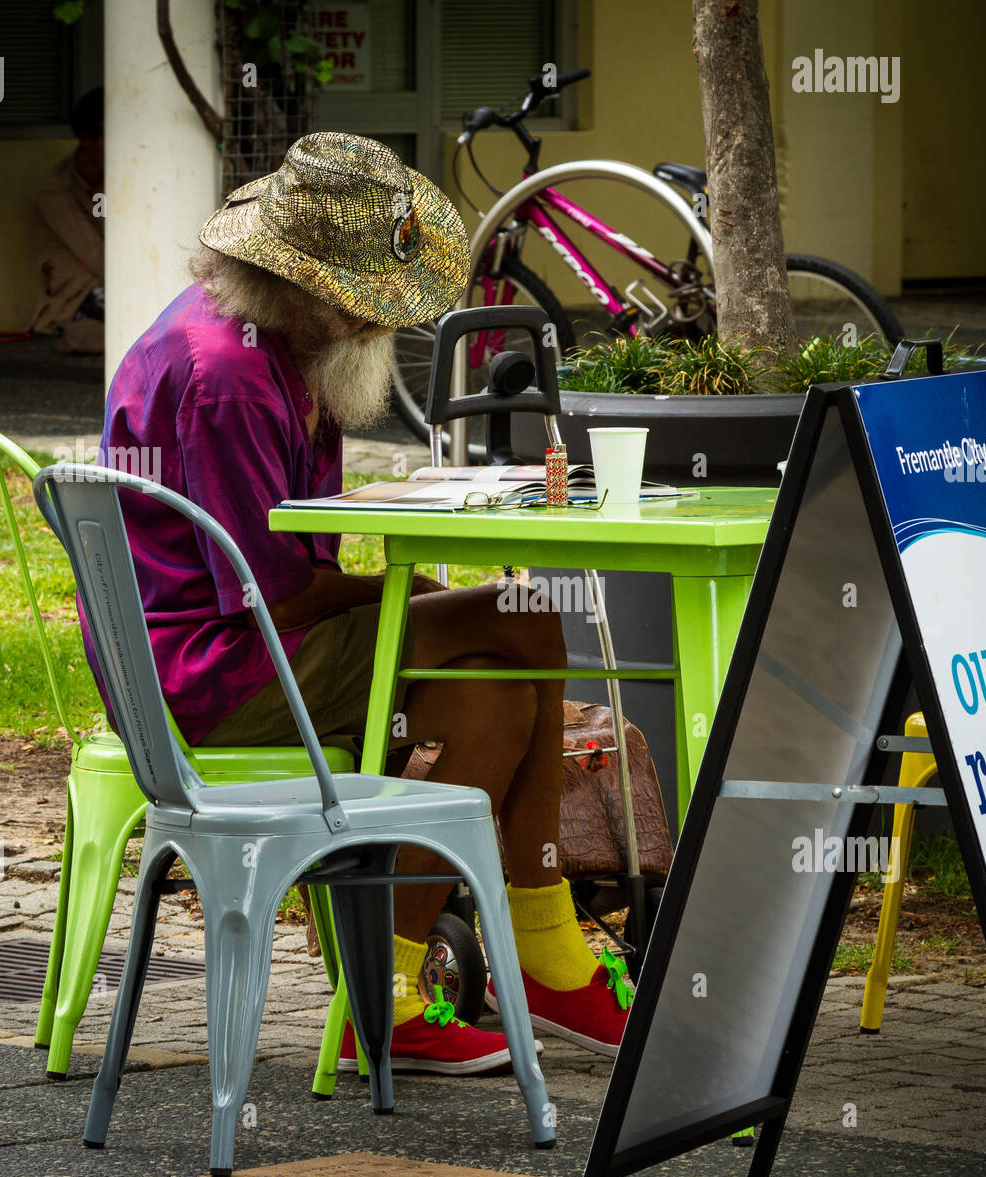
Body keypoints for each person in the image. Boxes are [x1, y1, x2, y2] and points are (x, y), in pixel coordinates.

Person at [87, 133, 633, 1074]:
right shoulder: (227, 376)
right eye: (366, 303)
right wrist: (412, 592)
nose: (380, 323)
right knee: (526, 616)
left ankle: (392, 997)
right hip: (214, 672)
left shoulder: (269, 346)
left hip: (244, 644)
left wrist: (413, 598)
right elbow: (278, 588)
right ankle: (541, 945)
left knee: (497, 693)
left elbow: (295, 549)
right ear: (302, 289)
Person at [31, 87, 105, 354]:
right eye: (111, 135)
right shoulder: (54, 190)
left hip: (112, 288)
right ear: (85, 138)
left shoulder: (121, 176)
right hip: (78, 299)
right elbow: (99, 257)